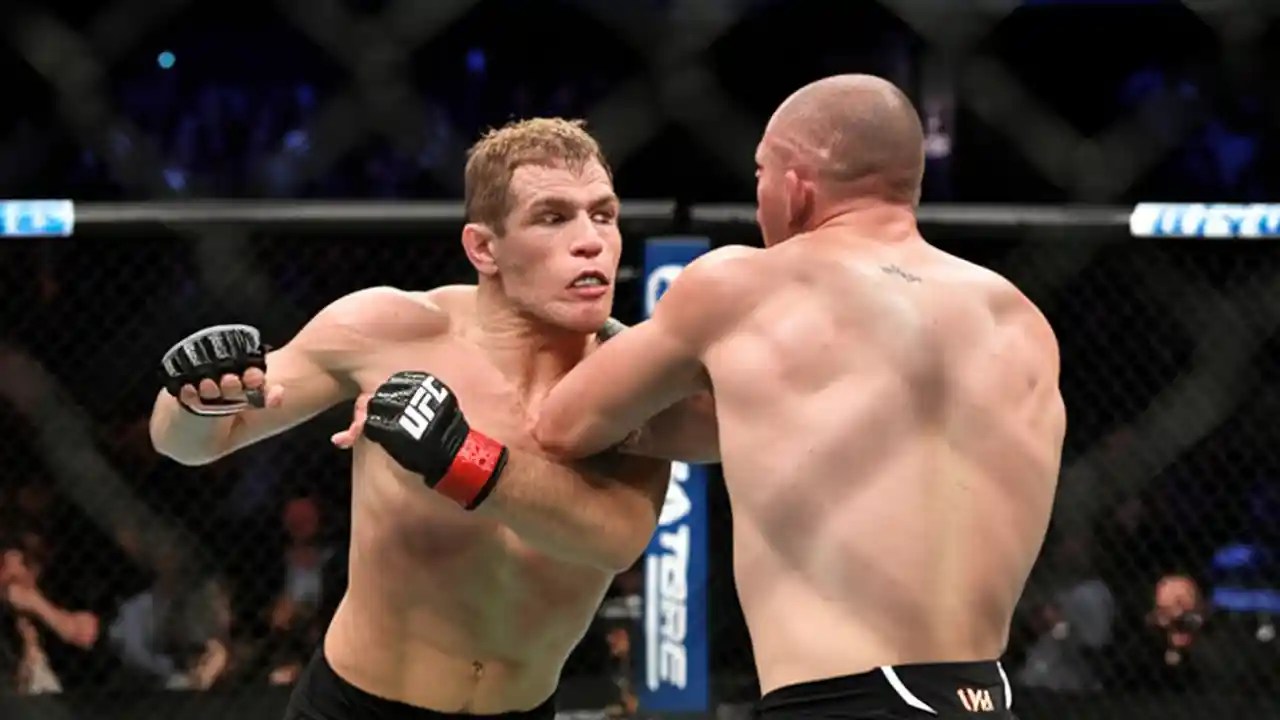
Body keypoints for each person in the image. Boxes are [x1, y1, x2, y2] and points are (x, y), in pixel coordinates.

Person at [533, 74, 1067, 720]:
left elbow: (563, 424)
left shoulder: (745, 285)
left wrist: (620, 354)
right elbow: (804, 437)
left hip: (837, 702)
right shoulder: (1019, 321)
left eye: (761, 172)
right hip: (986, 695)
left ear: (795, 188)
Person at [149, 117, 697, 720]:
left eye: (604, 214)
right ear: (484, 248)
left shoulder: (629, 377)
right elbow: (190, 444)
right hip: (359, 706)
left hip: (522, 708)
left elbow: (615, 538)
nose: (591, 240)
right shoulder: (389, 331)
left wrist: (460, 456)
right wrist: (196, 398)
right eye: (553, 216)